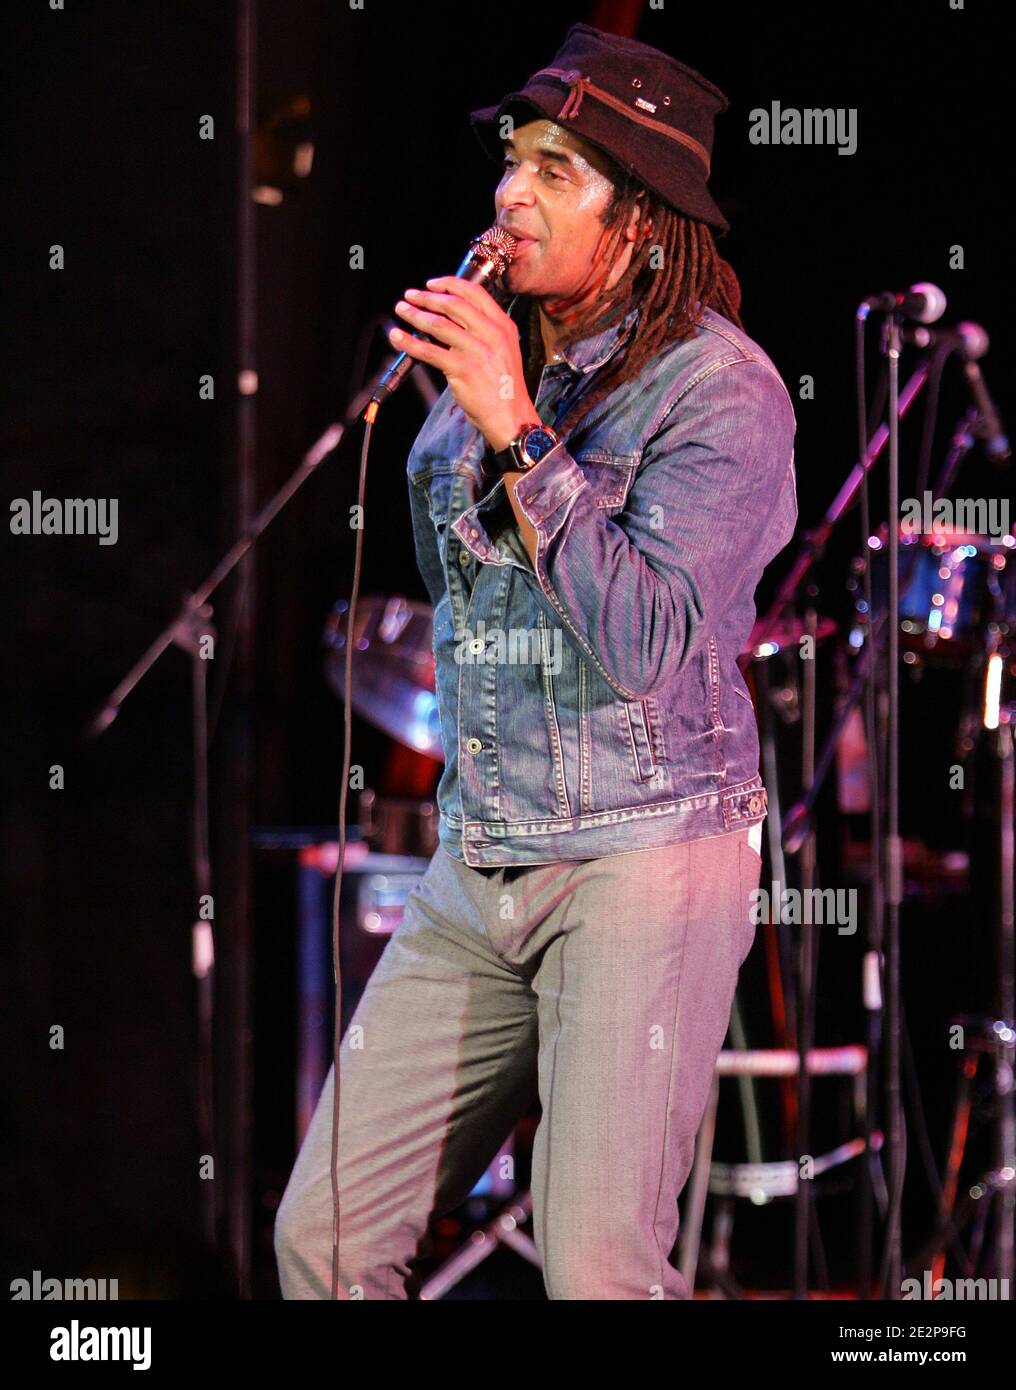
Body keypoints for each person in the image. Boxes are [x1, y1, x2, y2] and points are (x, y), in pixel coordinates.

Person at [275, 22, 797, 1300]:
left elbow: (645, 643)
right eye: (513, 159)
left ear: (644, 220)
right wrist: (493, 412)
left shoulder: (719, 396)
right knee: (325, 1241)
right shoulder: (493, 374)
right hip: (484, 855)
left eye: (557, 170)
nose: (509, 193)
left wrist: (516, 428)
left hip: (643, 858)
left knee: (596, 1270)